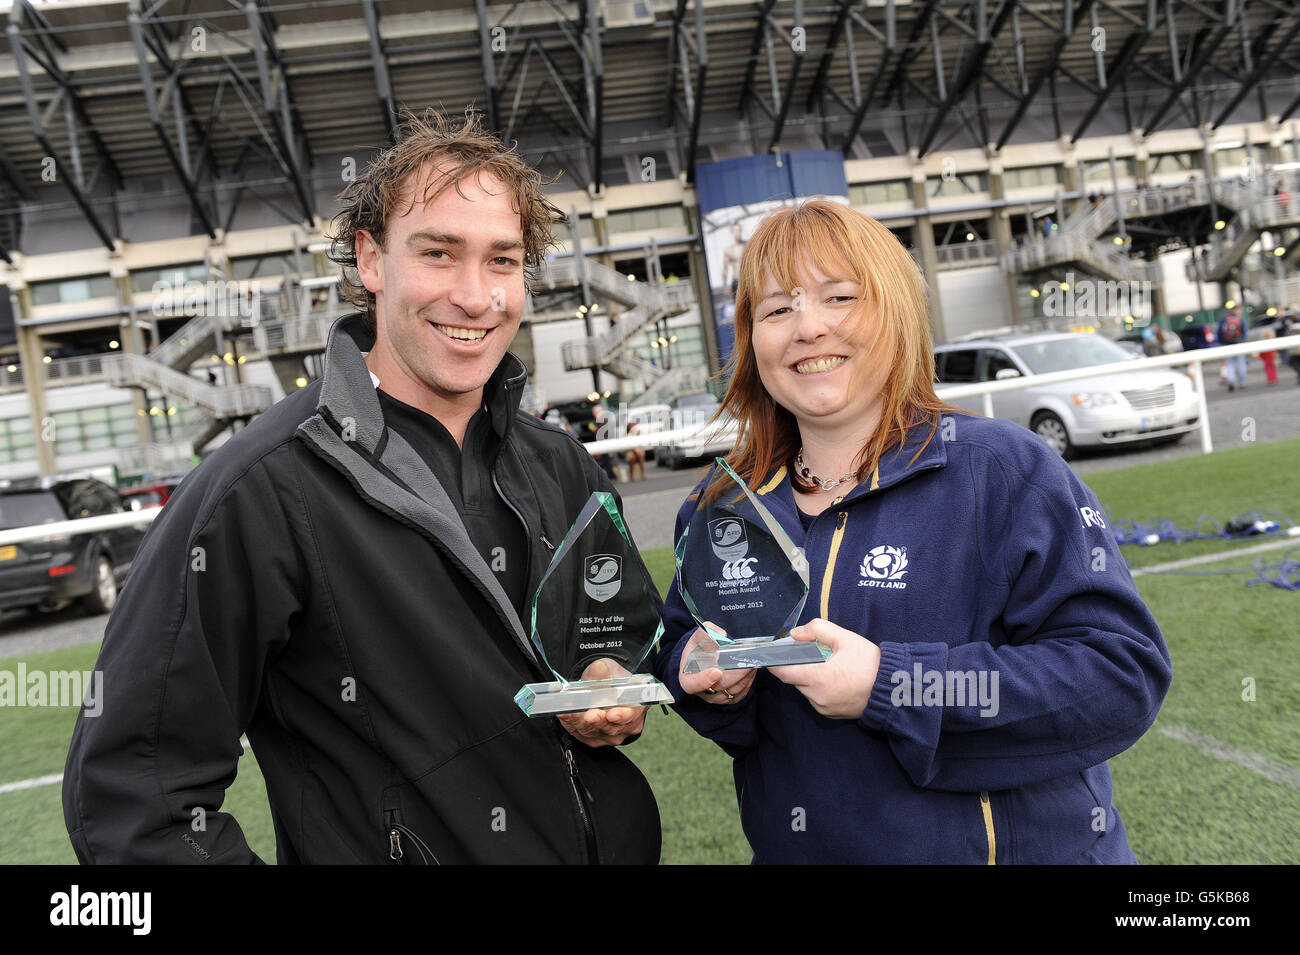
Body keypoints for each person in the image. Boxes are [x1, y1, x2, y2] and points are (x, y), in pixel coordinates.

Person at [62, 108, 661, 864]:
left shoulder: (561, 463)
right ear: (371, 260)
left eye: (502, 261)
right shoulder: (261, 488)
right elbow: (133, 796)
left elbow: (615, 642)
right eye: (439, 253)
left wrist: (614, 685)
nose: (476, 296)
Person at [653, 199, 1172, 864]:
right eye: (777, 309)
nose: (807, 327)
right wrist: (708, 679)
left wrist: (894, 684)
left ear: (894, 310)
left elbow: (1119, 676)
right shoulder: (720, 505)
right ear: (752, 340)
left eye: (838, 296)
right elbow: (685, 655)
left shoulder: (1005, 470)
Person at [1216, 307, 1248, 390]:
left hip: (1227, 344)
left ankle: (1231, 380)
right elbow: (1244, 333)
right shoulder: (1240, 319)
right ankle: (1242, 383)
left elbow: (1219, 333)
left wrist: (1222, 342)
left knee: (1229, 364)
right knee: (1241, 363)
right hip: (1238, 344)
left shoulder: (1224, 319)